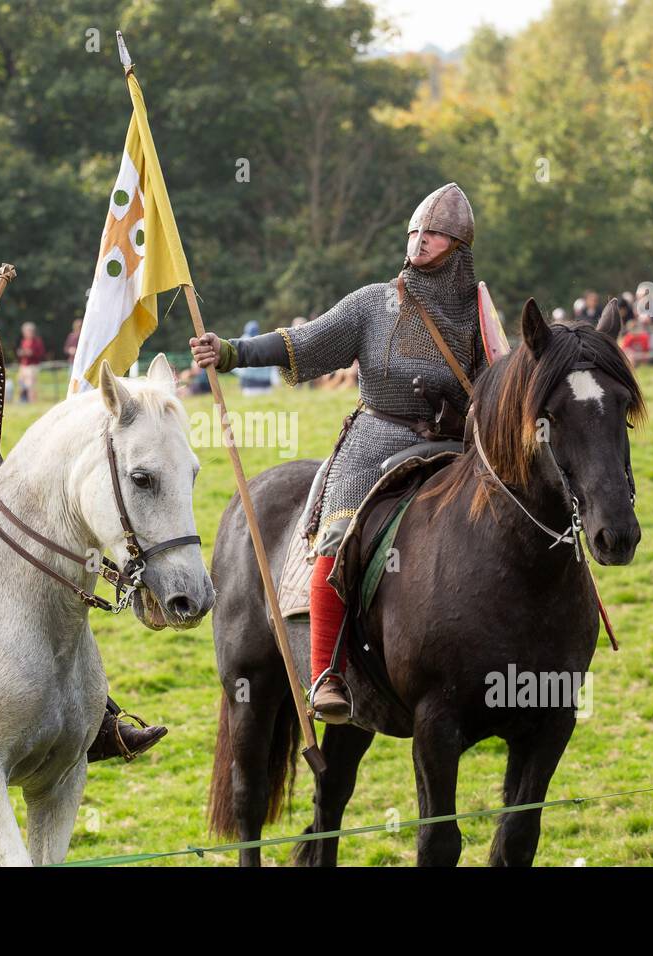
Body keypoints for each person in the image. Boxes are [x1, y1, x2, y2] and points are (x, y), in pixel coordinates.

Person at [189, 182, 489, 722]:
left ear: (459, 250)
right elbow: (304, 344)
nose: (421, 243)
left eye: (436, 235)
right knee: (337, 533)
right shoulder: (375, 304)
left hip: (451, 450)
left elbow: (496, 387)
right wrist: (231, 351)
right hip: (376, 444)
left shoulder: (477, 315)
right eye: (416, 232)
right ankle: (326, 670)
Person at [15, 322, 46, 403]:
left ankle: (32, 401)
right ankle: (22, 400)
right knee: (21, 383)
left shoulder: (37, 341)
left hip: (32, 366)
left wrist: (31, 353)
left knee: (30, 385)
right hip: (23, 365)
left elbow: (41, 353)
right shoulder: (24, 341)